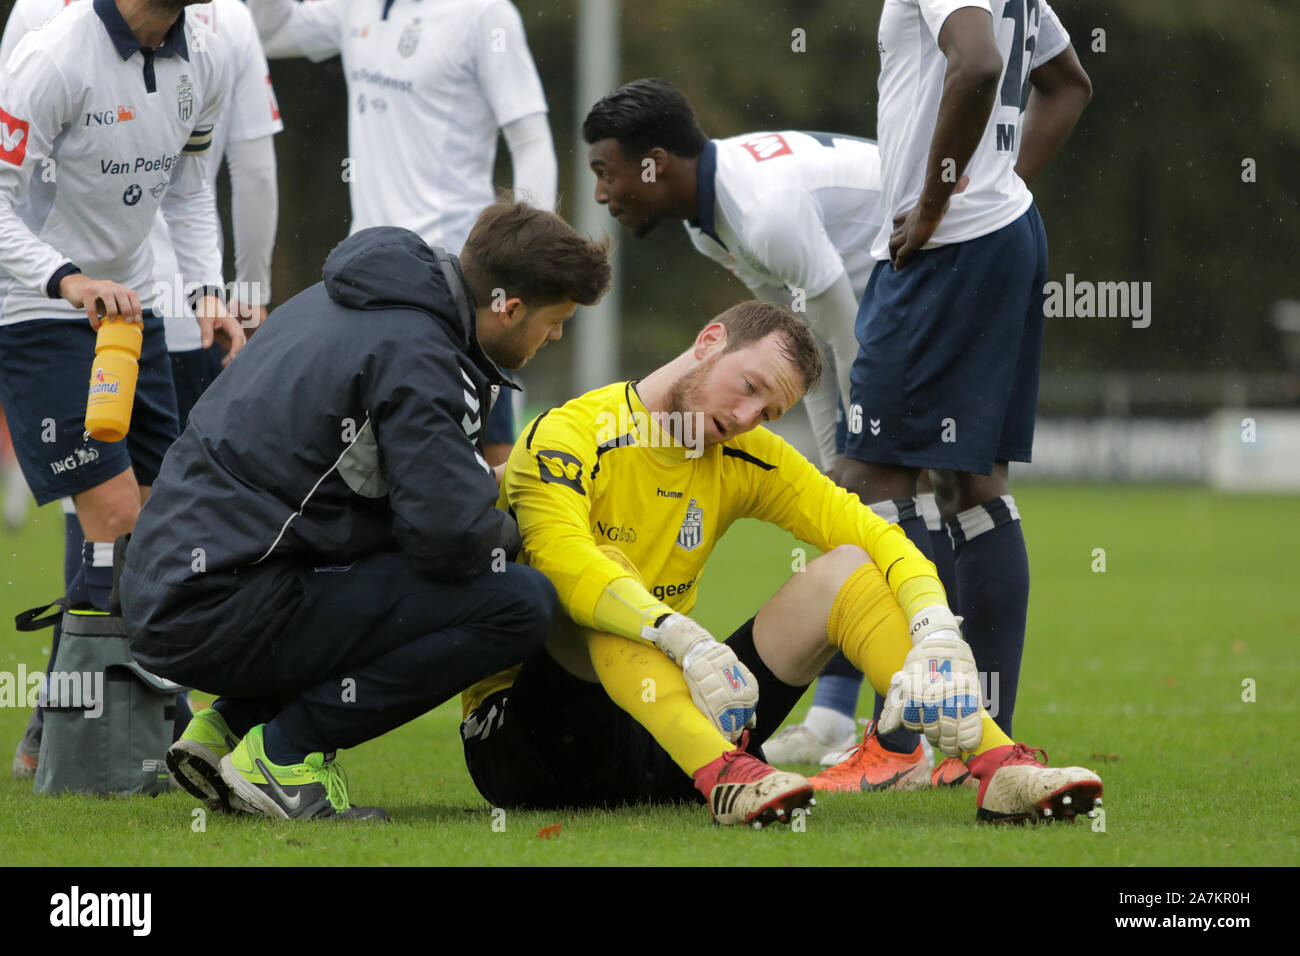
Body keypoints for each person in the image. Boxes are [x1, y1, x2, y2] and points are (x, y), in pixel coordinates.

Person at [459, 300, 1103, 827]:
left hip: (659, 741)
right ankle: (728, 776)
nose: (744, 419)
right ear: (709, 340)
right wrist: (678, 635)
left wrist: (934, 625)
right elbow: (565, 562)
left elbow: (869, 532)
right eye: (748, 388)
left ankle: (1000, 770)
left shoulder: (744, 454)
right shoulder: (569, 434)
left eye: (767, 412)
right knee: (601, 575)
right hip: (527, 749)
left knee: (847, 565)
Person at [120, 200, 612, 821]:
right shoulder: (421, 352)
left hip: (183, 585)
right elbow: (451, 539)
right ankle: (283, 756)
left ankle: (227, 731)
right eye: (556, 320)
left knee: (402, 564)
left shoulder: (369, 298)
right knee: (518, 601)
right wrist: (542, 534)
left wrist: (482, 489)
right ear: (508, 307)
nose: (557, 336)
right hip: (218, 605)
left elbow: (363, 491)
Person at [580, 78, 950, 783]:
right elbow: (800, 353)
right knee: (868, 488)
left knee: (933, 495)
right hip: (893, 296)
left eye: (606, 171)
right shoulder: (705, 221)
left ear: (654, 162)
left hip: (943, 269)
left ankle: (908, 743)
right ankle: (837, 720)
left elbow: (848, 336)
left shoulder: (762, 212)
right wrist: (839, 459)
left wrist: (854, 456)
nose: (603, 193)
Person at [2, 0, 282, 779]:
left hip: (137, 309)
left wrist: (206, 294)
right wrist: (67, 279)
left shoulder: (211, 54)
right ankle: (103, 747)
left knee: (164, 529)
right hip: (37, 310)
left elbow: (189, 193)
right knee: (117, 518)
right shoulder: (54, 56)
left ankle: (72, 730)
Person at [835, 0, 1092, 791]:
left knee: (868, 481)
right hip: (1002, 232)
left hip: (946, 248)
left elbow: (976, 61)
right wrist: (994, 192)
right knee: (971, 485)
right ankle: (979, 739)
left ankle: (902, 741)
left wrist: (944, 203)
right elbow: (1068, 84)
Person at [246, 0, 559, 466]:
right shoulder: (358, 6)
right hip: (367, 276)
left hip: (455, 283)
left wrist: (524, 260)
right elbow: (267, 30)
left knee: (483, 460)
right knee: (365, 457)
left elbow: (532, 141)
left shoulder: (485, 15)